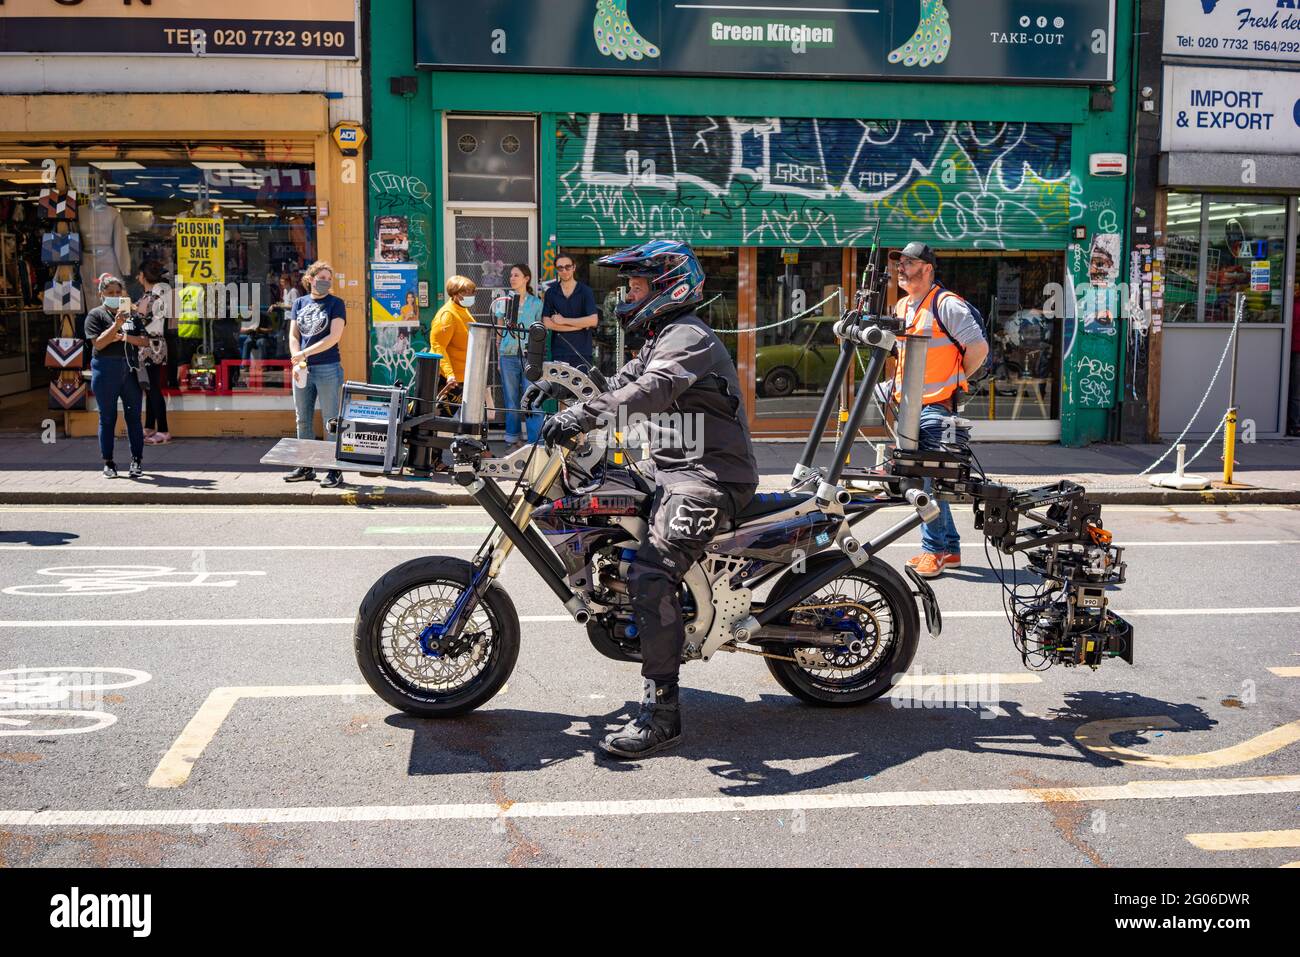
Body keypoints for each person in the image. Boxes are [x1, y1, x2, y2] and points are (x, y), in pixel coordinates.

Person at [539, 240, 758, 759]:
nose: (626, 294)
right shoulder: (661, 337)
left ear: (666, 287)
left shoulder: (688, 336)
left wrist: (585, 417)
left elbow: (652, 390)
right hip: (668, 470)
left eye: (636, 285)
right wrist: (564, 397)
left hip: (708, 477)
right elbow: (623, 383)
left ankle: (663, 713)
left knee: (652, 570)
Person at [887, 242, 989, 579]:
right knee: (927, 479)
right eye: (899, 262)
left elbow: (978, 348)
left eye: (909, 262)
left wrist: (955, 378)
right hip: (909, 406)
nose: (901, 267)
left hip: (935, 406)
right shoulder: (903, 306)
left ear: (928, 268)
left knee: (927, 482)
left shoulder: (947, 305)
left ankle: (934, 550)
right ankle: (950, 549)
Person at [283, 260, 347, 488]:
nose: (326, 282)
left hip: (327, 367)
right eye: (322, 278)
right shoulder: (299, 303)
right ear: (310, 279)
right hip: (302, 369)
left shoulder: (336, 304)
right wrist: (296, 357)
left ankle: (334, 469)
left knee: (330, 419)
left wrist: (304, 354)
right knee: (303, 419)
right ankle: (306, 466)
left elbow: (333, 337)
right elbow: (293, 335)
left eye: (329, 279)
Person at [85, 273, 149, 479]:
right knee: (107, 417)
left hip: (129, 370)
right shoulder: (95, 315)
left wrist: (124, 336)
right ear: (101, 294)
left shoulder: (132, 314)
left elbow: (144, 341)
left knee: (134, 417)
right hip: (105, 370)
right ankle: (108, 462)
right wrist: (116, 326)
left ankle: (136, 460)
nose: (114, 295)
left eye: (117, 292)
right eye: (109, 292)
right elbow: (99, 343)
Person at [428, 275, 475, 473]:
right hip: (451, 380)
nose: (471, 296)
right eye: (467, 293)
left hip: (465, 376)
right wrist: (449, 375)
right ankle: (433, 460)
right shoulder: (447, 315)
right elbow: (438, 347)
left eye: (472, 292)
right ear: (455, 294)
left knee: (470, 419)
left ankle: (478, 454)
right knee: (440, 420)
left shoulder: (461, 310)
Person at [494, 263, 543, 449]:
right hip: (507, 355)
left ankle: (535, 442)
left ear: (526, 278)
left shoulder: (536, 303)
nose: (512, 278)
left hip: (529, 356)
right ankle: (511, 439)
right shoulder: (503, 302)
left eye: (516, 275)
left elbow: (539, 332)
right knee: (511, 399)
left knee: (533, 398)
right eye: (511, 275)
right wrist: (498, 357)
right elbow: (498, 331)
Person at [134, 260, 171, 445]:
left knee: (153, 389)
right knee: (150, 388)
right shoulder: (158, 296)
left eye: (139, 274)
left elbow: (138, 320)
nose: (137, 277)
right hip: (156, 345)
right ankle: (149, 426)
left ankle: (163, 430)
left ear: (144, 276)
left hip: (149, 346)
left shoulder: (150, 298)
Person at [541, 253, 599, 371]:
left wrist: (562, 321)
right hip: (559, 351)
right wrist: (581, 325)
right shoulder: (551, 293)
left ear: (574, 267)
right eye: (560, 268)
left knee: (581, 389)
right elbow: (547, 323)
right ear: (556, 270)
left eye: (568, 267)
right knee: (560, 389)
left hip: (582, 352)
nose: (564, 270)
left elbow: (593, 320)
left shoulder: (585, 291)